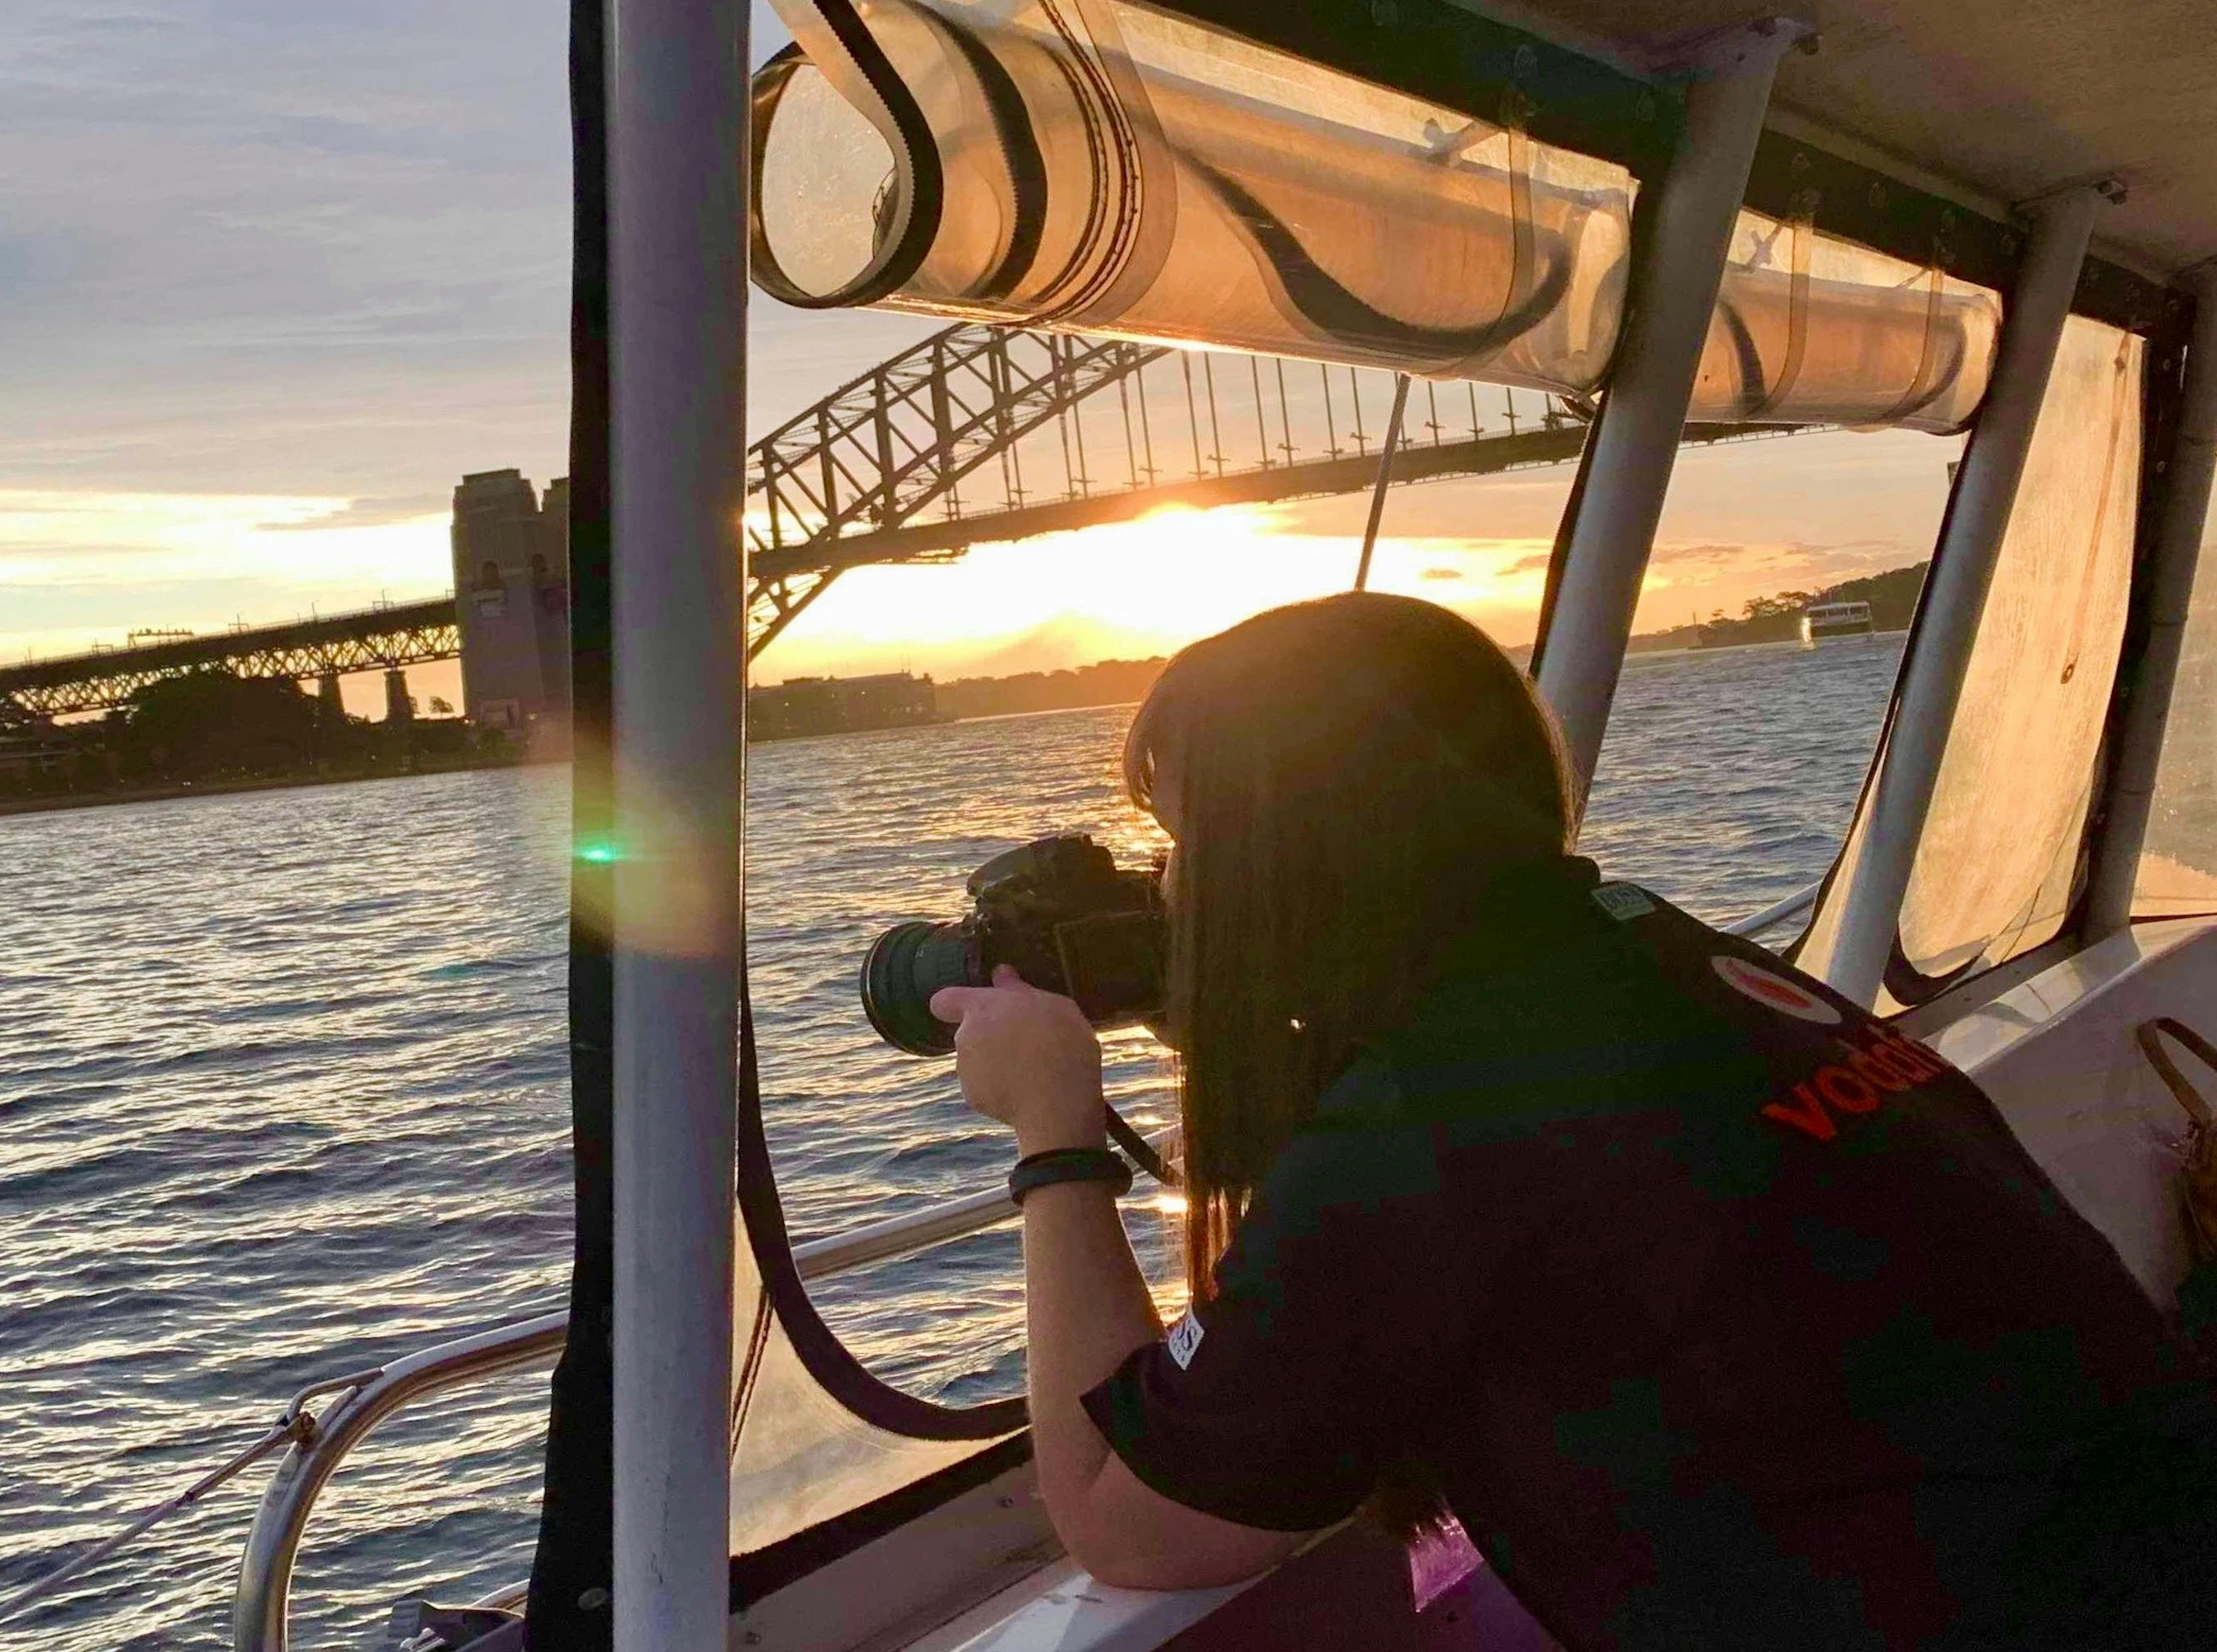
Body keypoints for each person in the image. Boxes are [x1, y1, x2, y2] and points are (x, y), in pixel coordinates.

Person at [928, 592, 2217, 1650]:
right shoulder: (1655, 959)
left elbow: (1133, 1525)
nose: (1173, 887)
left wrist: (1054, 1127)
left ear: (1281, 862)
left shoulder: (1436, 1118)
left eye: (1187, 841)